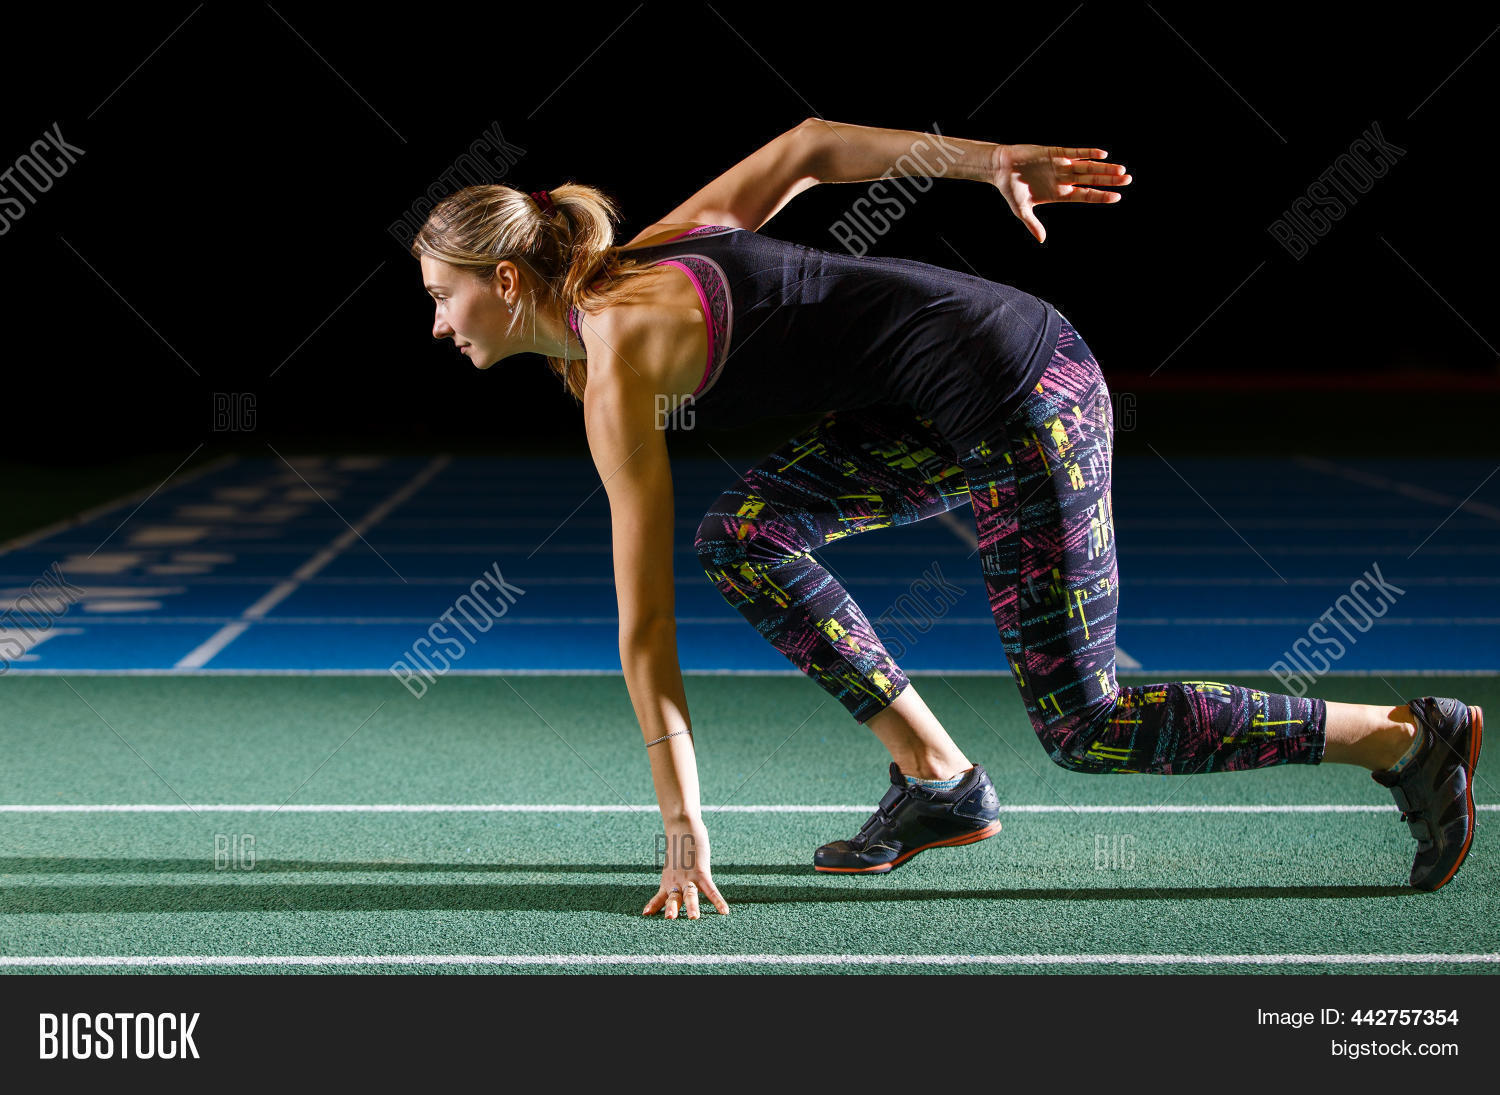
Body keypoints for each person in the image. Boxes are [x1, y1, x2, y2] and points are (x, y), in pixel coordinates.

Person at [411, 119, 1483, 920]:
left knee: (1087, 724)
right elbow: (809, 144)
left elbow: (645, 631)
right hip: (941, 406)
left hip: (1027, 394)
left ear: (506, 279)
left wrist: (682, 820)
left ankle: (1405, 738)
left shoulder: (617, 363)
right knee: (741, 536)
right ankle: (938, 779)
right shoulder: (645, 254)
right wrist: (989, 161)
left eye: (442, 296)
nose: (435, 324)